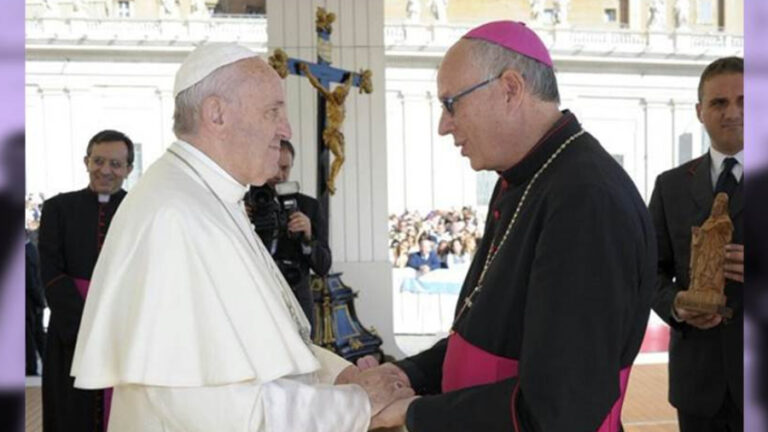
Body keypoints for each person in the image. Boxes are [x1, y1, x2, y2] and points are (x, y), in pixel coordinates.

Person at [70, 42, 412, 431]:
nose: (286, 130)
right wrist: (356, 403)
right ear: (216, 113)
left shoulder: (212, 198)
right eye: (273, 112)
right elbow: (213, 410)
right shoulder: (174, 216)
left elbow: (264, 344)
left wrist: (339, 375)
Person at [364, 21, 657, 430]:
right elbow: (488, 333)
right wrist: (406, 374)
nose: (443, 126)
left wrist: (415, 413)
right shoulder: (522, 178)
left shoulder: (587, 198)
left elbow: (561, 407)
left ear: (510, 89)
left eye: (451, 104)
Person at [649, 56, 743, 432]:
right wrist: (676, 305)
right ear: (700, 111)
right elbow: (648, 272)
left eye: (745, 101)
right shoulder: (670, 187)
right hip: (699, 386)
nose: (732, 112)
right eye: (719, 102)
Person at [39, 129, 134, 432]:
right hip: (71, 329)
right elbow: (50, 270)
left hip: (123, 330)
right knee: (70, 410)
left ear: (129, 169)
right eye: (98, 161)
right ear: (86, 162)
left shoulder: (139, 209)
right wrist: (86, 324)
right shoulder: (58, 208)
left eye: (116, 164)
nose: (105, 170)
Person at [246, 139, 332, 331]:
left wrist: (308, 236)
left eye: (285, 168)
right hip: (256, 297)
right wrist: (239, 221)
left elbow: (324, 266)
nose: (279, 174)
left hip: (297, 299)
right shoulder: (242, 203)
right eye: (274, 166)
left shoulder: (309, 206)